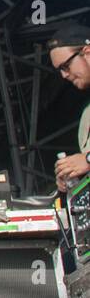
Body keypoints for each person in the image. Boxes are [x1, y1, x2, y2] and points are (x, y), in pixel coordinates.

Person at [47, 24, 90, 190]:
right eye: (60, 70)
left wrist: (87, 160)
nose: (64, 75)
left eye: (65, 66)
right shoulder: (87, 113)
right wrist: (75, 179)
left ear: (87, 53)